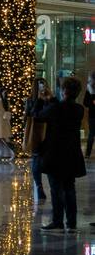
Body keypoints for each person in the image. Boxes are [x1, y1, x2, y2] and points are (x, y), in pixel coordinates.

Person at [34, 77, 86, 231]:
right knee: (70, 188)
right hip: (72, 153)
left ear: (64, 91)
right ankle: (72, 223)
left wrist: (40, 100)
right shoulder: (79, 109)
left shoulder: (56, 108)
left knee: (56, 188)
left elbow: (38, 115)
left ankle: (58, 221)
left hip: (55, 154)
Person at [24, 79, 51, 203]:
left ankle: (49, 187)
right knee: (36, 158)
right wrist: (39, 101)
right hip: (36, 133)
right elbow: (30, 115)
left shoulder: (50, 99)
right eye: (40, 85)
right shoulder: (31, 100)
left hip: (49, 132)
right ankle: (39, 187)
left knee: (46, 159)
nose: (43, 87)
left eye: (44, 84)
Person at [84, 74, 95, 158]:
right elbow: (85, 102)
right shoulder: (89, 89)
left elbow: (86, 103)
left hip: (92, 114)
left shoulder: (89, 89)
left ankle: (88, 153)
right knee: (91, 134)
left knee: (91, 134)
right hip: (92, 115)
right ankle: (87, 153)